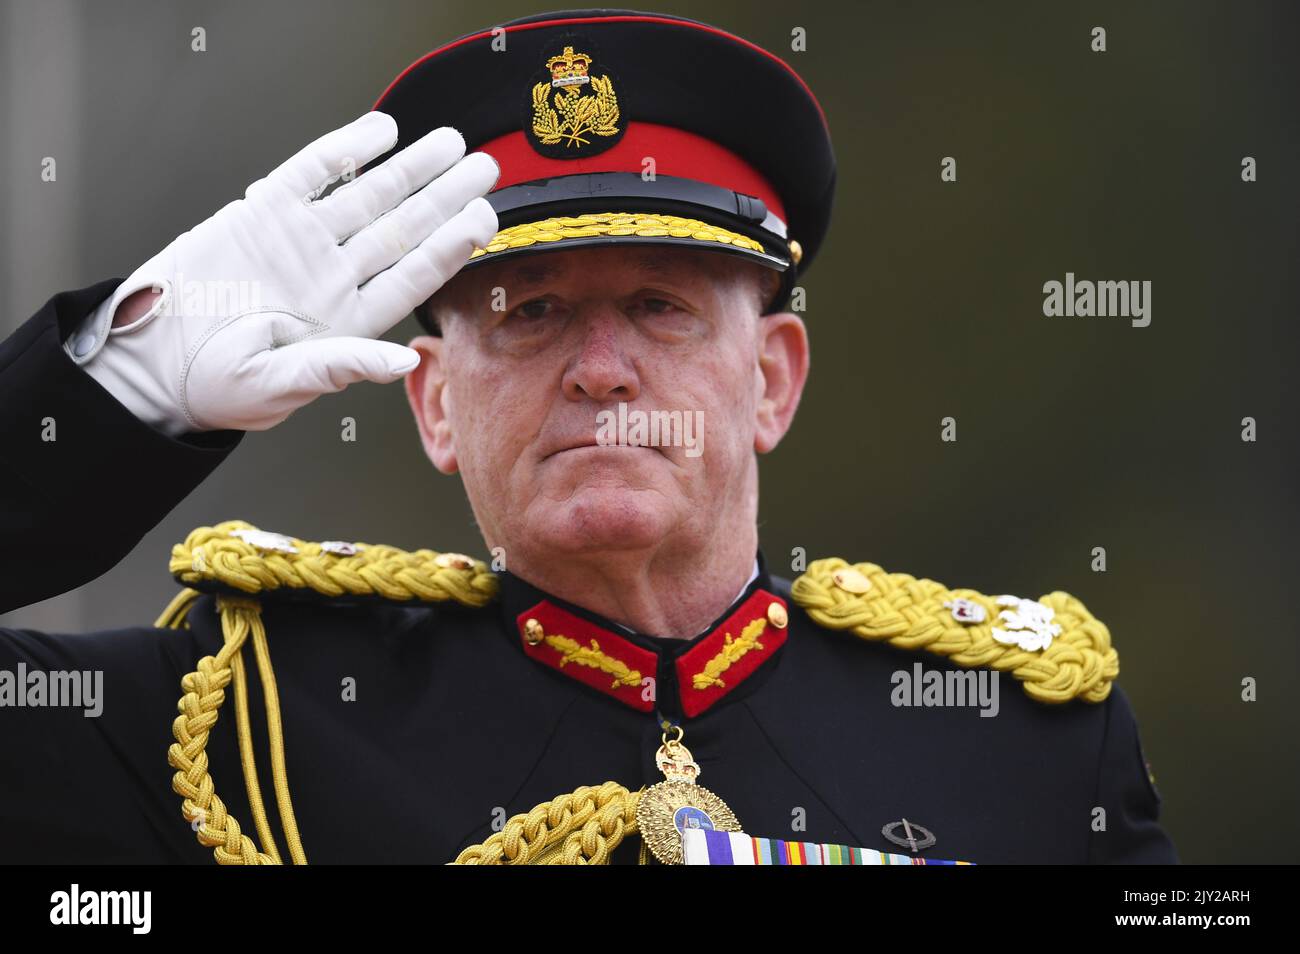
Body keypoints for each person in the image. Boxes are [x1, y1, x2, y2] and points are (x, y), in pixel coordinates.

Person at [0, 8, 1175, 865]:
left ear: (772, 380)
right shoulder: (246, 722)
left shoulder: (1017, 737)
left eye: (660, 307)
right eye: (530, 314)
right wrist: (114, 389)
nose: (602, 373)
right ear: (435, 404)